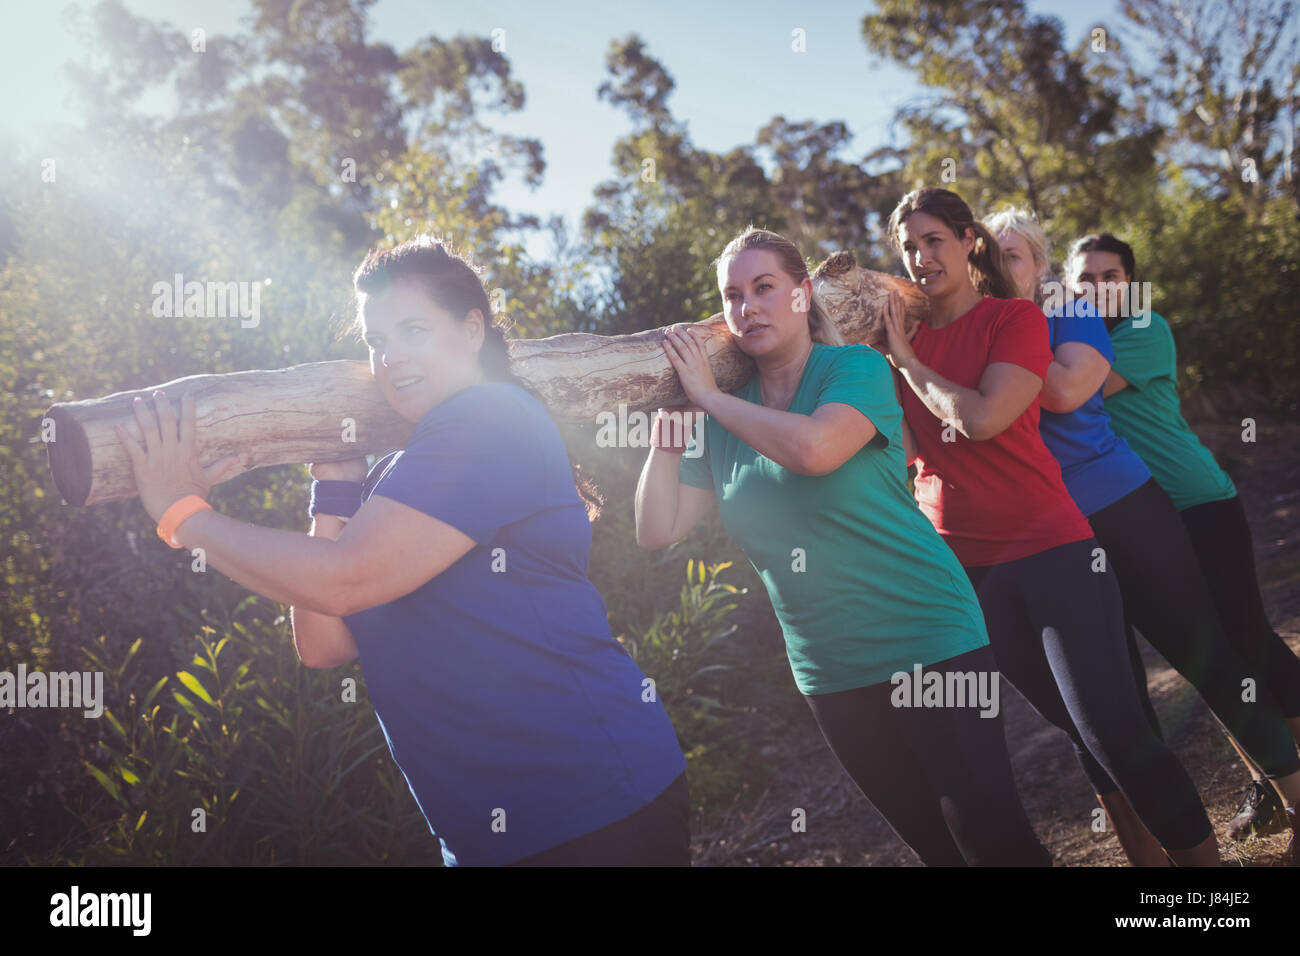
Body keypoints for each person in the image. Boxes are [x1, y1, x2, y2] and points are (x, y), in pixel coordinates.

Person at [116, 235, 690, 867]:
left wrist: (183, 513)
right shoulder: (397, 471)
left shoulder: (491, 417)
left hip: (592, 807)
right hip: (483, 836)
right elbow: (323, 643)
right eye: (375, 341)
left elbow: (342, 578)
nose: (389, 358)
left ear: (472, 330)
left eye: (412, 330)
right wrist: (333, 491)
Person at [636, 226, 1051, 866]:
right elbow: (656, 530)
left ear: (803, 295)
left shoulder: (854, 369)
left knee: (994, 843)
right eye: (732, 295)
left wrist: (710, 398)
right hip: (830, 672)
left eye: (765, 287)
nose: (748, 306)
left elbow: (814, 450)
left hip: (929, 640)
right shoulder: (724, 418)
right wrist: (665, 444)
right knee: (936, 850)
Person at [881, 187, 1218, 866]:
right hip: (970, 573)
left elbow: (981, 418)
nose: (921, 258)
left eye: (933, 240)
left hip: (1054, 551)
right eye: (908, 247)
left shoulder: (1016, 320)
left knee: (1117, 732)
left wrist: (907, 363)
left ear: (968, 239)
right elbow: (910, 453)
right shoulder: (900, 342)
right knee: (1080, 734)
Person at [988, 209, 1300, 864]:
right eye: (987, 255)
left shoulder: (1071, 313)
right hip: (1048, 538)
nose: (997, 266)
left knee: (1211, 656)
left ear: (1041, 265)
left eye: (1012, 254)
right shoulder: (975, 329)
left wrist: (991, 355)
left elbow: (1068, 391)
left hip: (1123, 505)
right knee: (1107, 719)